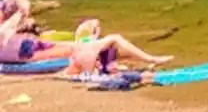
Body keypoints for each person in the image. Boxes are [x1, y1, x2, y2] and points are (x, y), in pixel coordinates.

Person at [0, 11, 172, 68]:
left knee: (100, 37)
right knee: (113, 39)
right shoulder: (4, 36)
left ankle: (145, 59)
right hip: (33, 52)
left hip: (38, 47)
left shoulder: (6, 34)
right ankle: (151, 59)